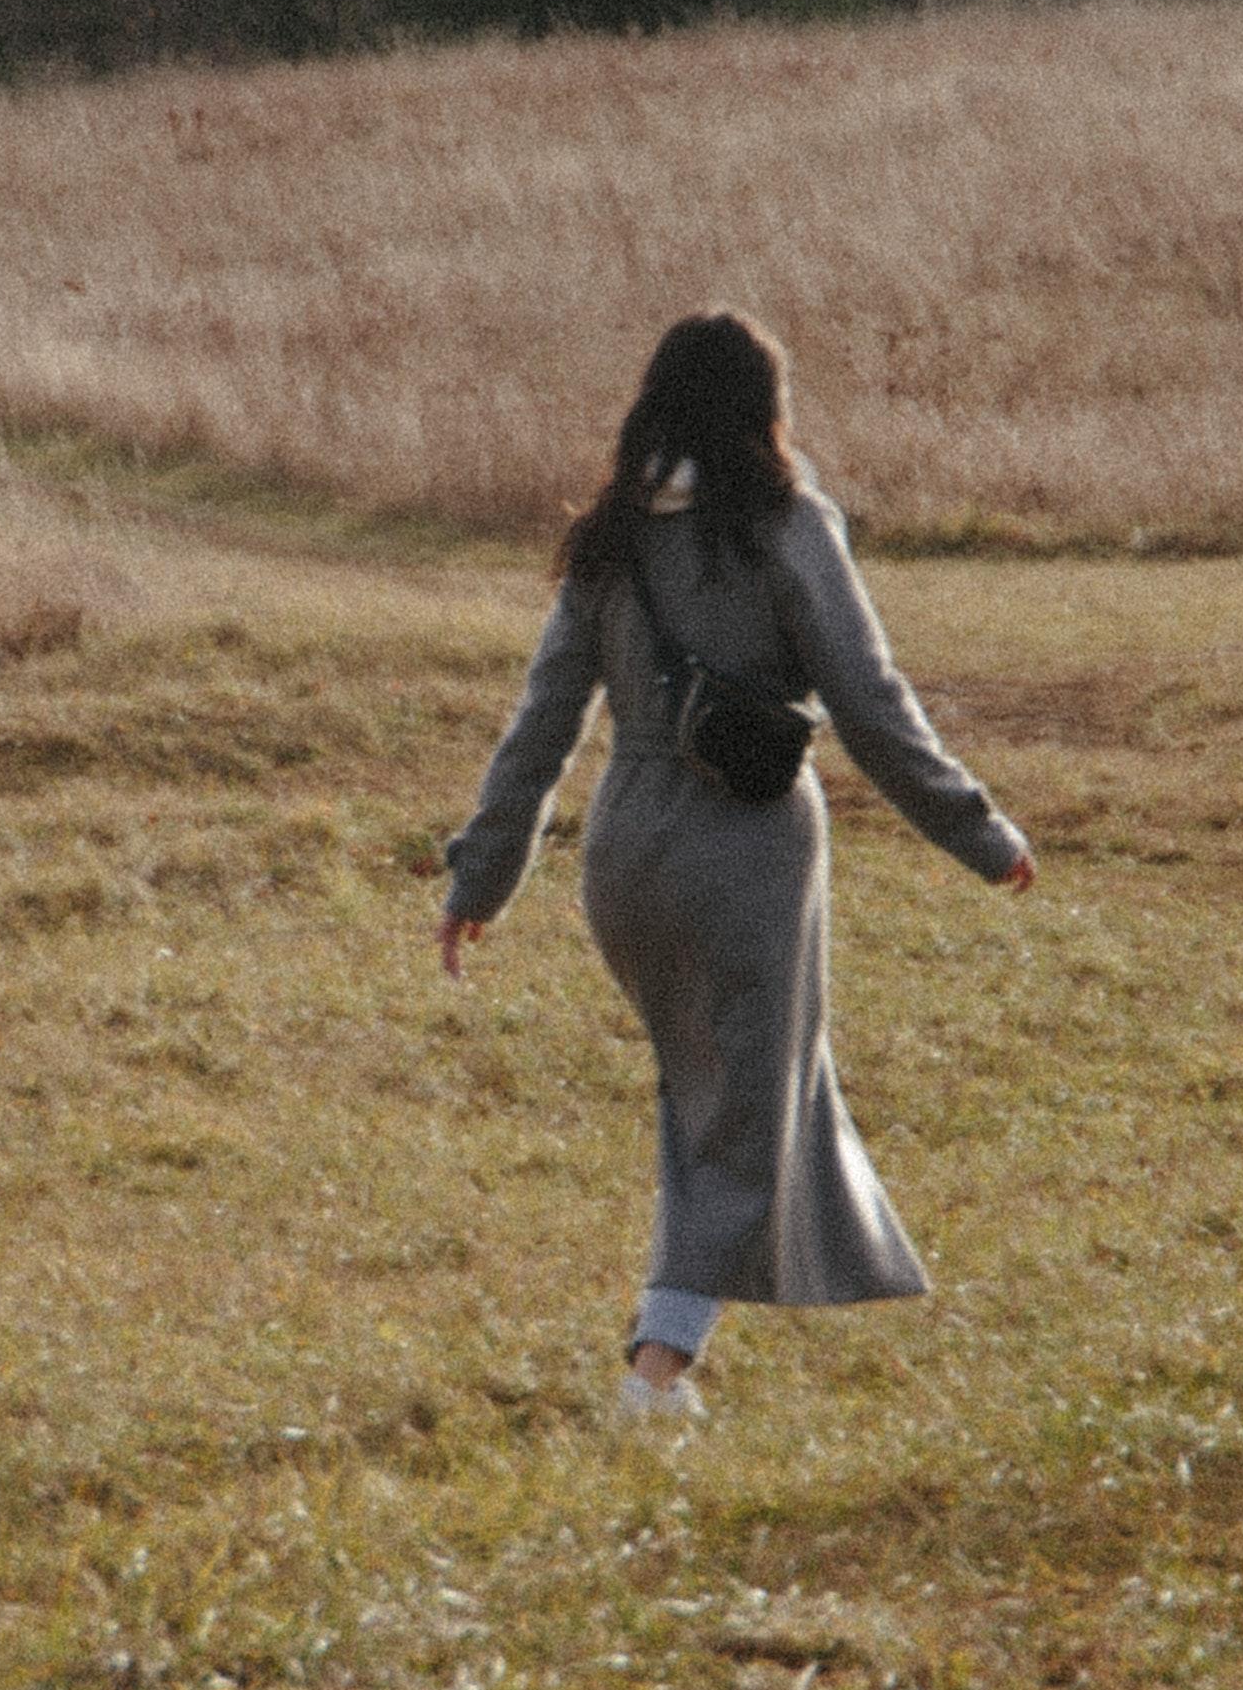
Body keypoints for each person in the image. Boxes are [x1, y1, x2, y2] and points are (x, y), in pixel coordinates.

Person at [439, 312, 1036, 1422]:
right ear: (764, 410)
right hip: (747, 850)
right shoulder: (786, 526)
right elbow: (870, 704)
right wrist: (979, 830)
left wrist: (479, 881)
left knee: (714, 1094)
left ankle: (723, 1329)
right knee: (745, 1115)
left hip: (624, 852)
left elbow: (543, 722)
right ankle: (656, 1373)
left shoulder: (608, 537)